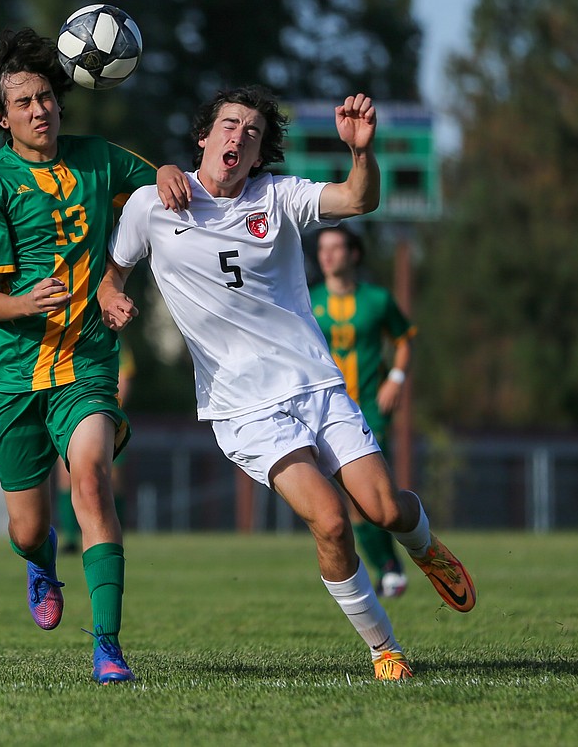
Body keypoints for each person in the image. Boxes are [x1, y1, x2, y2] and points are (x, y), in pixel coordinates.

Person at [99, 85, 476, 681]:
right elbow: (111, 274)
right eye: (228, 124)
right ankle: (385, 649)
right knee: (330, 520)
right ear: (204, 135)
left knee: (383, 508)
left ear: (259, 154)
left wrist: (361, 152)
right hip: (242, 408)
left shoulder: (276, 196)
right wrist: (112, 295)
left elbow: (358, 199)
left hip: (316, 385)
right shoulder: (152, 203)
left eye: (251, 132)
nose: (238, 137)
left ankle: (425, 545)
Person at [0, 27, 186, 685]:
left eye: (46, 98)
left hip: (86, 366)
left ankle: (109, 645)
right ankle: (38, 564)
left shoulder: (99, 159)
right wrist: (26, 302)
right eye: (24, 103)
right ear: (2, 117)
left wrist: (172, 171)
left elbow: (157, 194)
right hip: (11, 380)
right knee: (30, 527)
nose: (40, 110)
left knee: (91, 482)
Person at [310, 225, 416, 598]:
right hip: (324, 410)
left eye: (337, 247)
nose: (328, 255)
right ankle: (389, 566)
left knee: (366, 499)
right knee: (353, 503)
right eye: (323, 248)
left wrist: (396, 378)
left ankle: (393, 565)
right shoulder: (308, 300)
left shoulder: (376, 300)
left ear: (353, 254)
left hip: (369, 407)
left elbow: (404, 339)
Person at [55, 338, 135, 554]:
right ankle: (71, 538)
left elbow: (124, 376)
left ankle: (114, 534)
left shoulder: (112, 339)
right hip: (70, 414)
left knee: (111, 480)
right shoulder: (67, 336)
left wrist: (110, 409)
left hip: (102, 415)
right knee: (66, 476)